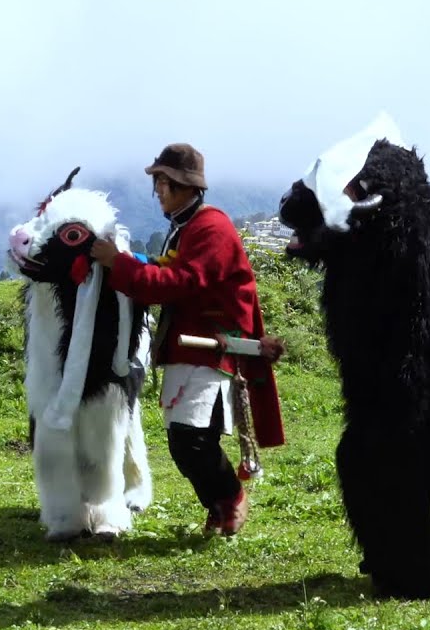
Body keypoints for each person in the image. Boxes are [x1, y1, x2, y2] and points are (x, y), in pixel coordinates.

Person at [90, 143, 285, 536]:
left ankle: (229, 499)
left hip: (212, 347)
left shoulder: (211, 228)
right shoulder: (185, 226)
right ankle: (220, 505)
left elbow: (179, 282)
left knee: (192, 438)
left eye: (163, 182)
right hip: (190, 345)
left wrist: (118, 263)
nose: (158, 190)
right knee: (185, 441)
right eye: (157, 182)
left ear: (184, 185)